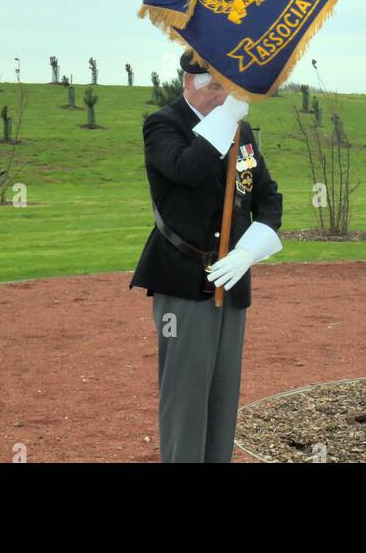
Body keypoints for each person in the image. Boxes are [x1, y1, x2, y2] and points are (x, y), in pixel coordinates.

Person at [131, 52, 284, 462]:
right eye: (214, 88)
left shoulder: (241, 130)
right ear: (188, 83)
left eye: (226, 89)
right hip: (182, 281)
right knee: (186, 397)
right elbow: (187, 168)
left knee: (222, 398)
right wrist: (228, 116)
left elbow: (267, 197)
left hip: (231, 282)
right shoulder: (164, 125)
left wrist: (248, 252)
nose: (221, 98)